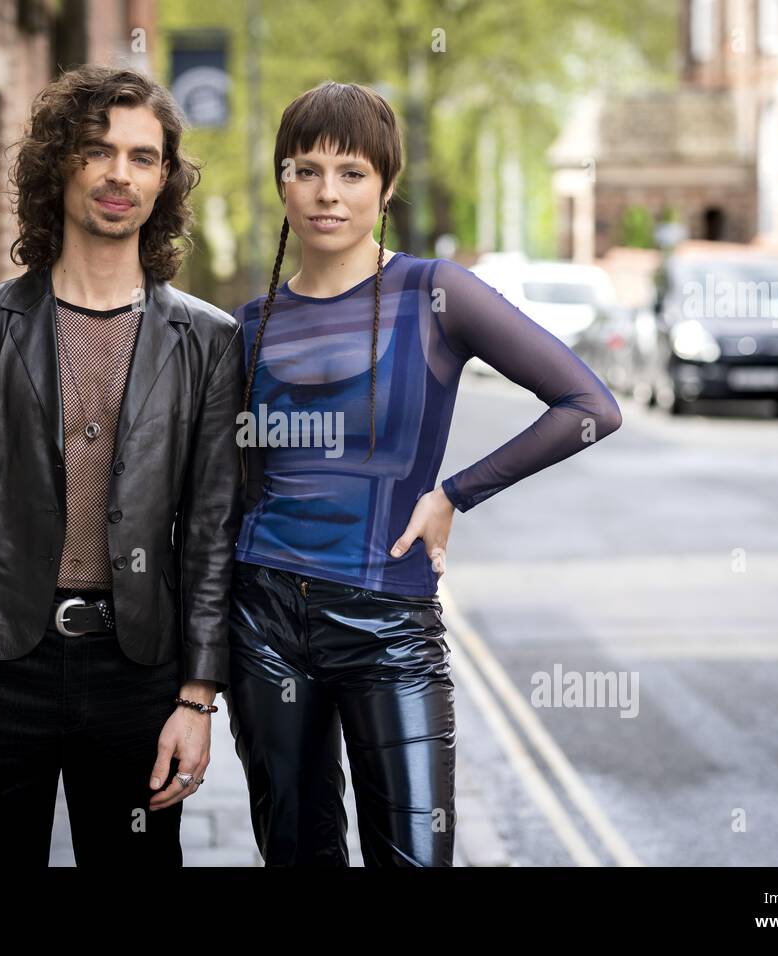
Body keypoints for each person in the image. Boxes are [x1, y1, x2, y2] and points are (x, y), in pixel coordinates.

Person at [226, 81, 623, 866]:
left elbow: (589, 405)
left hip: (388, 623)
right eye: (305, 170)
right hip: (262, 619)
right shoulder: (249, 324)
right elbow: (231, 489)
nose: (326, 193)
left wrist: (454, 494)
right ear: (281, 183)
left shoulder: (436, 294)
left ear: (387, 187)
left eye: (351, 173)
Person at [0, 65, 244, 867]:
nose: (119, 174)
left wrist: (197, 697)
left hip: (138, 673)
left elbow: (210, 532)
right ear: (61, 162)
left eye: (143, 157)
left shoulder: (208, 340)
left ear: (164, 181)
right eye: (98, 151)